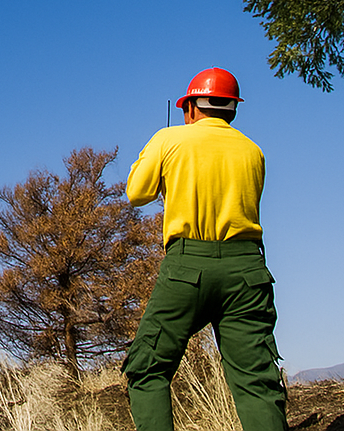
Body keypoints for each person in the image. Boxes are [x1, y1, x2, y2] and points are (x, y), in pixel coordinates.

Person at [121, 67, 287, 431]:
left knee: (148, 368)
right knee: (257, 380)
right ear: (232, 109)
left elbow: (137, 193)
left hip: (187, 268)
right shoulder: (253, 151)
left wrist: (152, 155)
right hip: (248, 272)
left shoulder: (168, 139)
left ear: (193, 107)